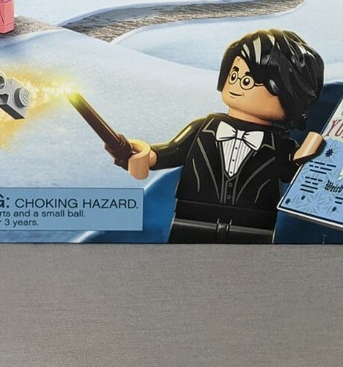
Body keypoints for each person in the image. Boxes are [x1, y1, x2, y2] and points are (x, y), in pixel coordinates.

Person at [126, 28, 325, 243]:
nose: (237, 84)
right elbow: (171, 151)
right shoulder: (203, 128)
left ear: (290, 93)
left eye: (248, 81)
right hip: (191, 221)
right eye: (234, 75)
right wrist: (145, 155)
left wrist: (306, 155)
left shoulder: (280, 145)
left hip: (254, 229)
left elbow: (293, 173)